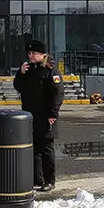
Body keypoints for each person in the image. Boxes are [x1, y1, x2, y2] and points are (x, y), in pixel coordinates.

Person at [14, 40, 65, 192]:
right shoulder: (28, 69)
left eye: (34, 53)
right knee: (34, 148)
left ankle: (50, 180)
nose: (31, 56)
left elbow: (58, 93)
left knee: (46, 148)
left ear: (42, 54)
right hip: (30, 115)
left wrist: (53, 114)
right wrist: (21, 73)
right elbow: (18, 87)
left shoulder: (50, 69)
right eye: (29, 54)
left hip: (46, 115)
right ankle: (37, 180)